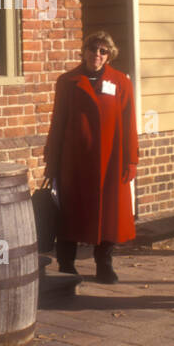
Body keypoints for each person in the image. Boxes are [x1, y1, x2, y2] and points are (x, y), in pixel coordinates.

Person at [43, 31, 138, 284]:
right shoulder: (68, 81)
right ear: (84, 51)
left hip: (110, 161)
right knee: (69, 214)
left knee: (108, 214)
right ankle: (66, 264)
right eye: (92, 49)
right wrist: (51, 161)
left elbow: (129, 124)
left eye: (102, 51)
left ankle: (104, 264)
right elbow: (58, 123)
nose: (96, 55)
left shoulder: (121, 83)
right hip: (74, 162)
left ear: (109, 55)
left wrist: (131, 160)